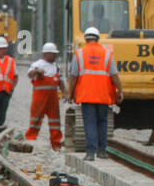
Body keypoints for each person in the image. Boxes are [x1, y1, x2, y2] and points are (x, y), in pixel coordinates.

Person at [66, 26, 121, 160]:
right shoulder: (107, 54)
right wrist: (120, 91)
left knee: (89, 122)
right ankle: (102, 152)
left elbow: (73, 77)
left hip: (86, 94)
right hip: (103, 94)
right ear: (97, 38)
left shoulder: (79, 54)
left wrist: (69, 93)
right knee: (102, 122)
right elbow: (114, 75)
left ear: (86, 38)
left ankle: (90, 153)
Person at [26, 42, 64, 150]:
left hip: (53, 99)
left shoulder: (56, 66)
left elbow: (60, 81)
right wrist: (37, 71)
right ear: (46, 54)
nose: (55, 56)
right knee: (35, 120)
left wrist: (65, 92)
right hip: (39, 99)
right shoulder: (38, 64)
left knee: (55, 122)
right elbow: (29, 74)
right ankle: (30, 140)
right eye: (53, 54)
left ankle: (56, 144)